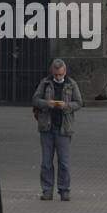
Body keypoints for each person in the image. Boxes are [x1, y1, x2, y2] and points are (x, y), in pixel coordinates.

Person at [32, 58, 82, 202]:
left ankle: (64, 190)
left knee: (64, 162)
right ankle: (47, 191)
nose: (58, 77)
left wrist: (66, 106)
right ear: (52, 72)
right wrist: (47, 103)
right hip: (46, 127)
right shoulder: (45, 83)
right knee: (46, 162)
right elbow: (35, 99)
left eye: (60, 74)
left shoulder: (71, 84)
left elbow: (79, 103)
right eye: (56, 75)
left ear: (65, 71)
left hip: (64, 129)